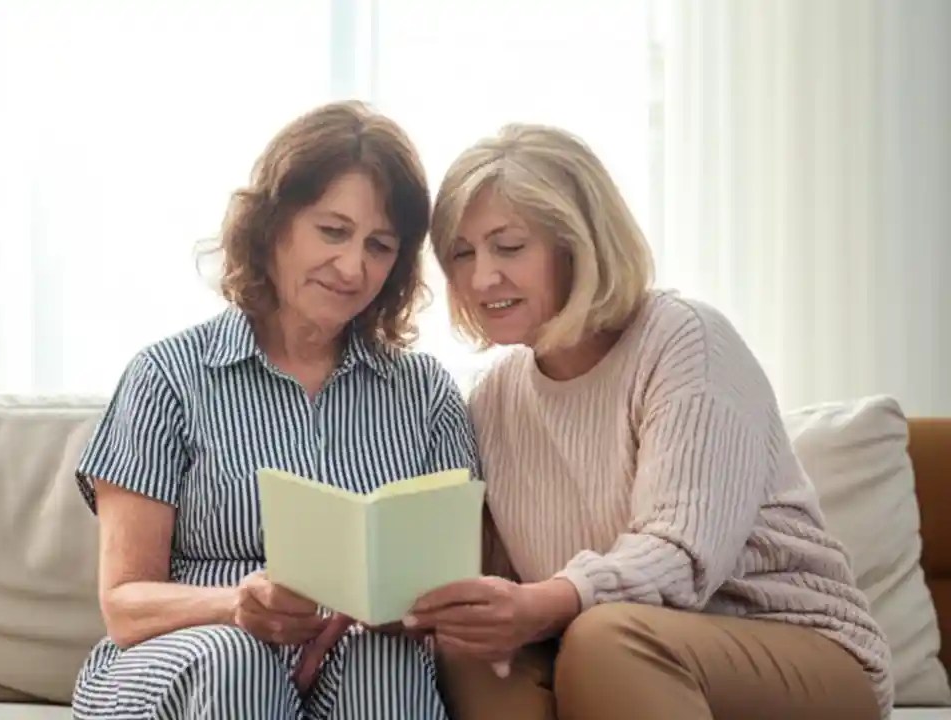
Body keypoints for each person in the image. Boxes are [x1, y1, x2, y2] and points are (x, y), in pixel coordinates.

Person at [404, 124, 893, 720]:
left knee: (608, 640)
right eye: (462, 253)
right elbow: (493, 582)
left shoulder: (685, 339)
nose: (482, 279)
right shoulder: (494, 400)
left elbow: (681, 555)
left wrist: (550, 602)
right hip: (604, 646)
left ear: (578, 243)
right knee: (469, 651)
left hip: (798, 644)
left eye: (509, 247)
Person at [69, 101, 479, 720]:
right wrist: (239, 603)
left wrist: (385, 615)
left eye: (379, 245)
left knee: (385, 668)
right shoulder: (169, 377)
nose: (352, 267)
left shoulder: (424, 393)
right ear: (273, 225)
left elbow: (453, 589)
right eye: (332, 231)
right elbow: (125, 605)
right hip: (191, 656)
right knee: (239, 660)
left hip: (354, 654)